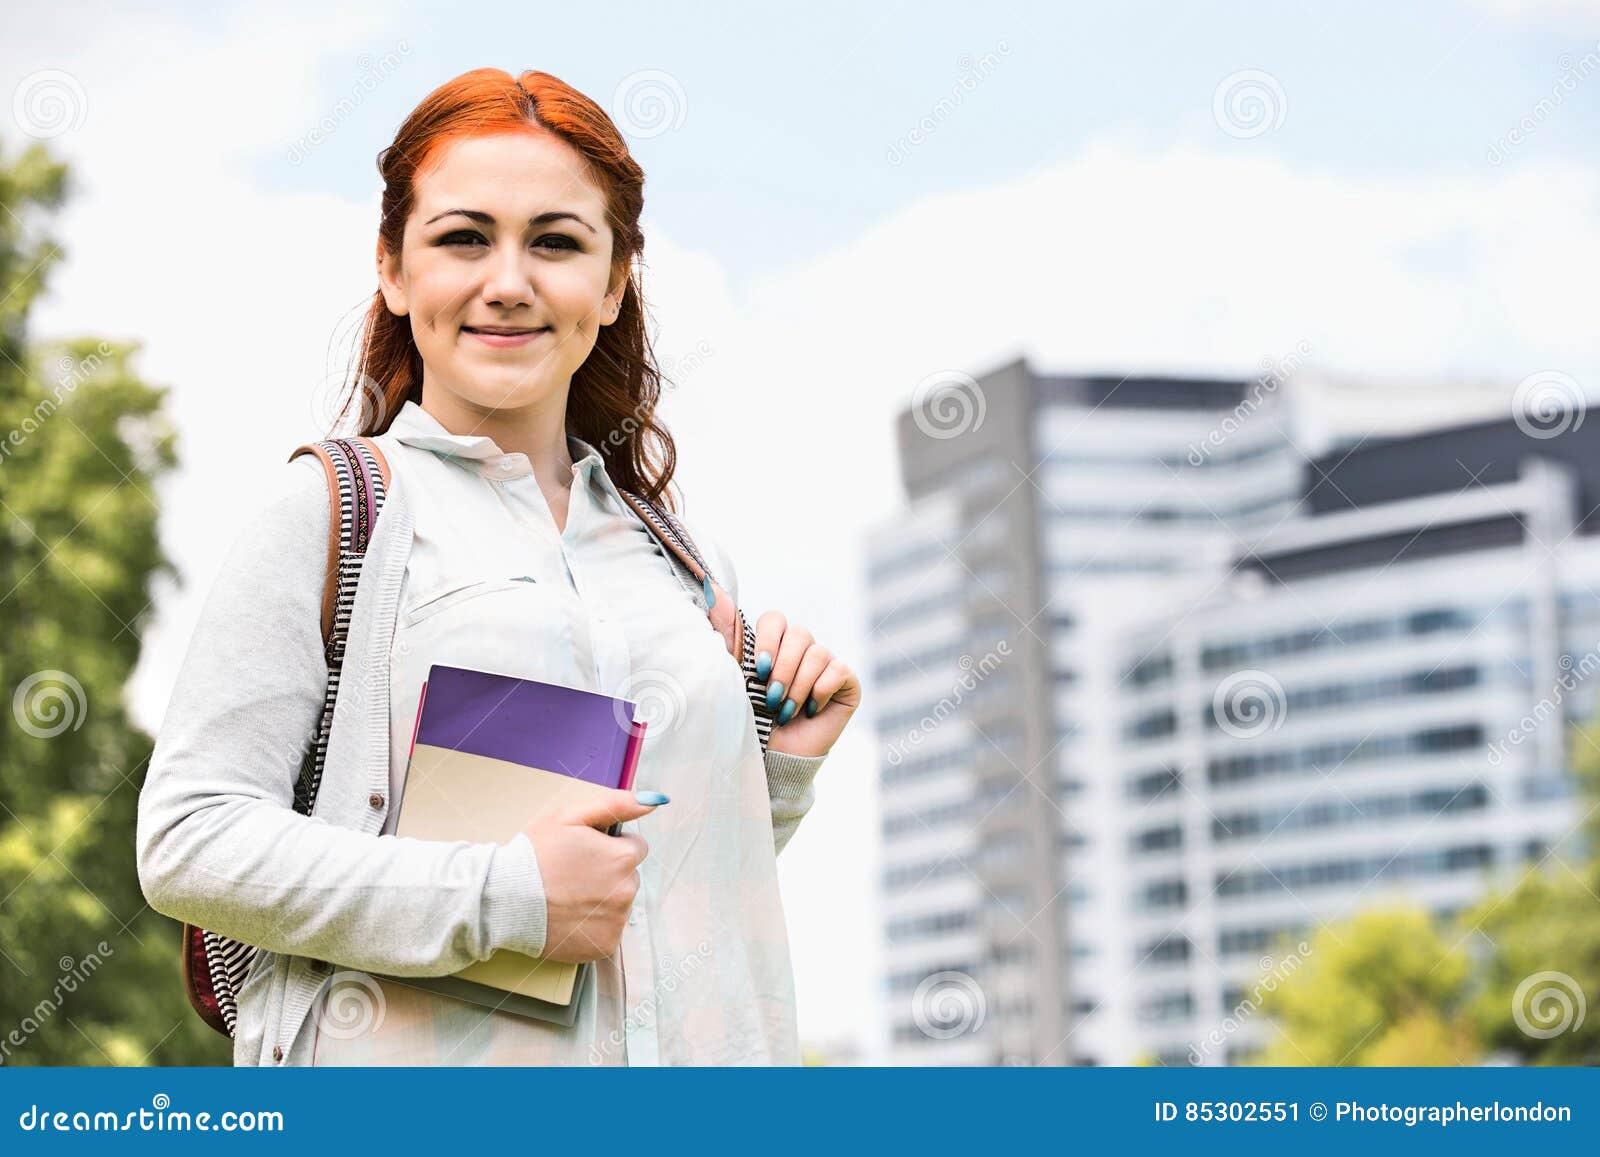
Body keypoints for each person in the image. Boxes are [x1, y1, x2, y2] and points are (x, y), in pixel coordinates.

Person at [135, 66, 860, 1066]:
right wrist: (506, 895)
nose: (509, 281)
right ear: (394, 268)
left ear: (611, 285)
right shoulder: (337, 515)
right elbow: (190, 839)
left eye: (556, 242)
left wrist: (774, 772)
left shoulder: (677, 565)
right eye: (464, 236)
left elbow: (632, 912)